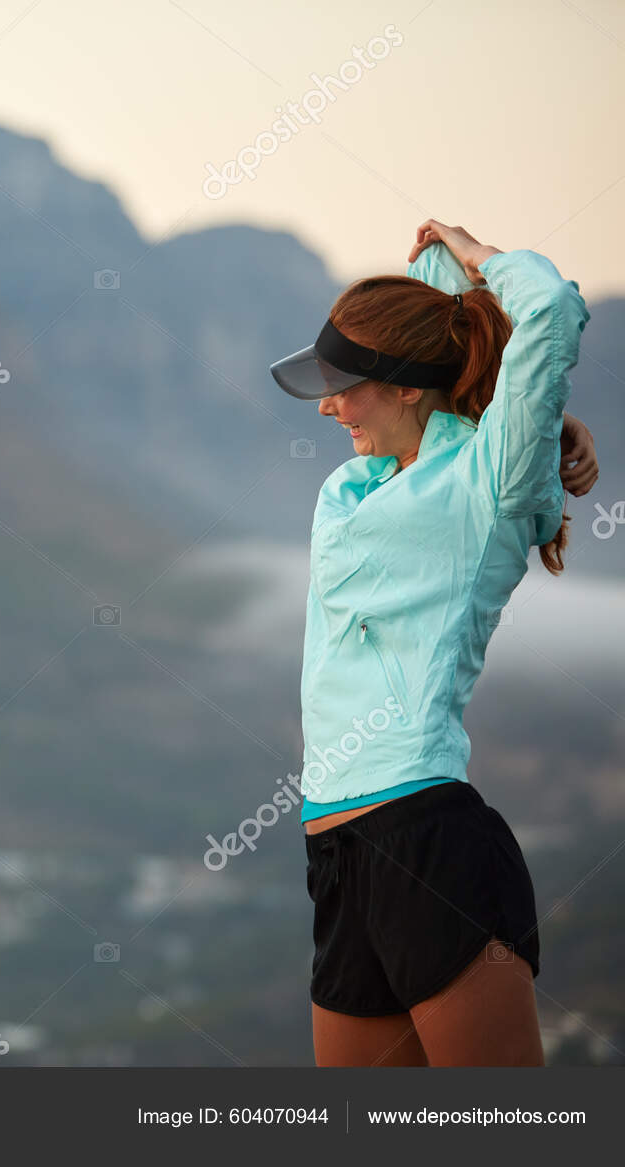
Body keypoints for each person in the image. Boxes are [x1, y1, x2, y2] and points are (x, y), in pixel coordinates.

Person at [270, 219, 599, 1066]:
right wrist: (443, 265)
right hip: (335, 852)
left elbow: (551, 316)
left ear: (411, 390)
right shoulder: (358, 483)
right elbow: (438, 315)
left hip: (428, 841)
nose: (331, 405)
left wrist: (480, 254)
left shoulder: (489, 483)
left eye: (347, 385)